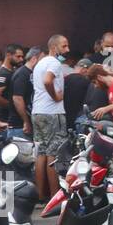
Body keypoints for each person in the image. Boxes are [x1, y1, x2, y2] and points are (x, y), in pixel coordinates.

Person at [32, 35, 71, 201]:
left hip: (38, 112)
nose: (67, 50)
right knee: (54, 154)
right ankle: (55, 196)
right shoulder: (54, 63)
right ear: (54, 48)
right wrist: (55, 96)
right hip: (52, 113)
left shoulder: (40, 62)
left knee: (42, 153)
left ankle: (41, 195)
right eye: (64, 46)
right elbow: (48, 80)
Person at [62, 58, 93, 127]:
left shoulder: (65, 79)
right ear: (85, 69)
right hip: (79, 116)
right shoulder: (87, 82)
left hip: (65, 114)